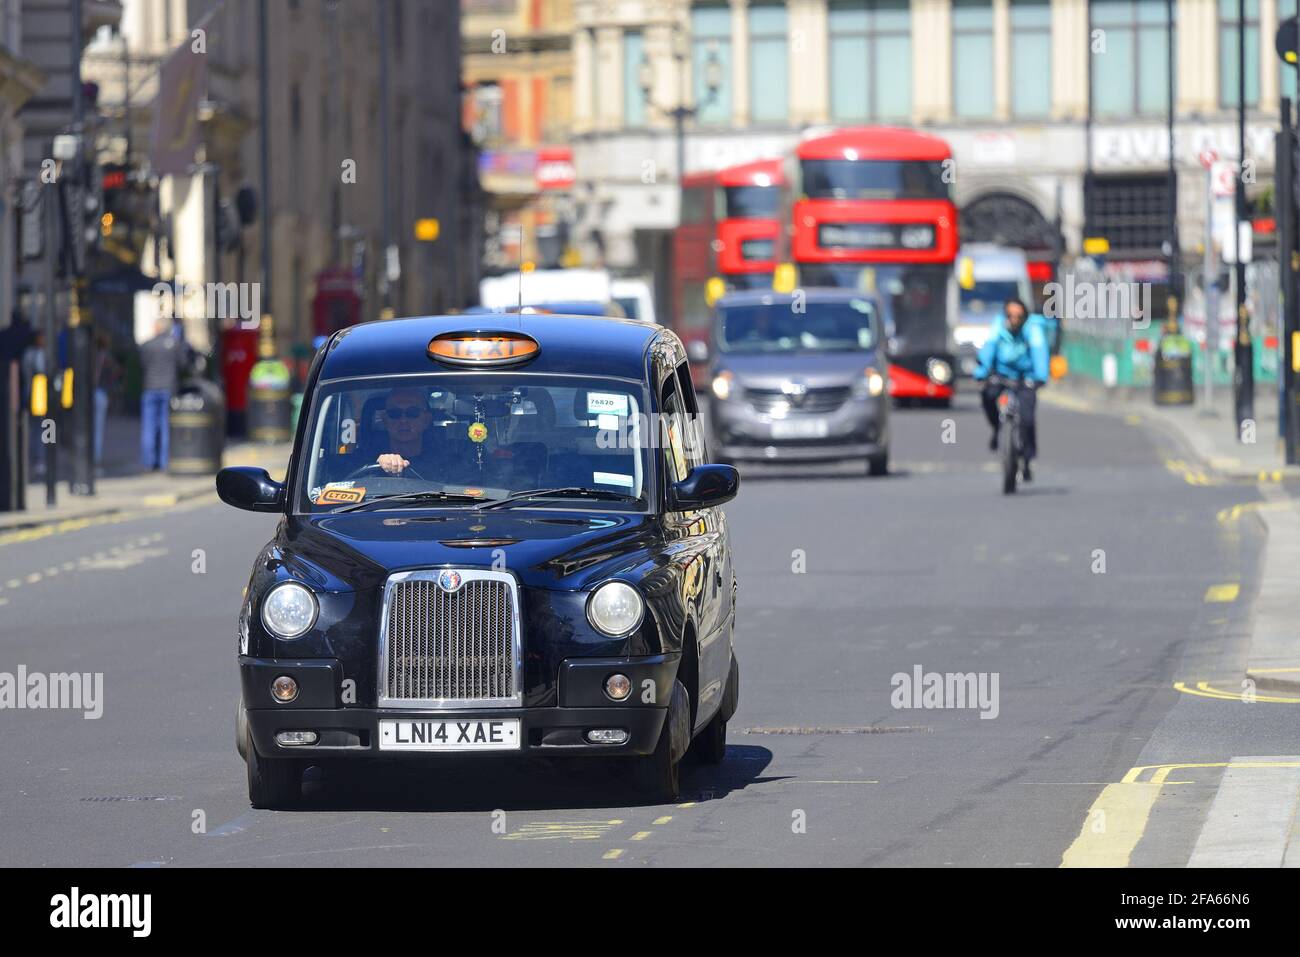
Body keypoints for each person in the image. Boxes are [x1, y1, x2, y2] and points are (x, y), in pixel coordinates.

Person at [973, 297, 1050, 482]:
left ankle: (1028, 457)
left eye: (1018, 316)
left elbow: (1040, 353)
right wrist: (982, 372)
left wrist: (1040, 377)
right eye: (1010, 315)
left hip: (1025, 379)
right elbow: (988, 350)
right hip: (1001, 376)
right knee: (988, 397)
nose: (1014, 319)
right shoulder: (998, 326)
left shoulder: (1032, 329)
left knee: (1027, 418)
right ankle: (997, 430)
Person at [139, 317, 187, 471]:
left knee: (149, 427)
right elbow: (183, 364)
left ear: (155, 328)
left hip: (150, 388)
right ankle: (164, 462)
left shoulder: (147, 345)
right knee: (166, 426)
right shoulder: (175, 344)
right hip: (168, 388)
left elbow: (143, 364)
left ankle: (148, 463)